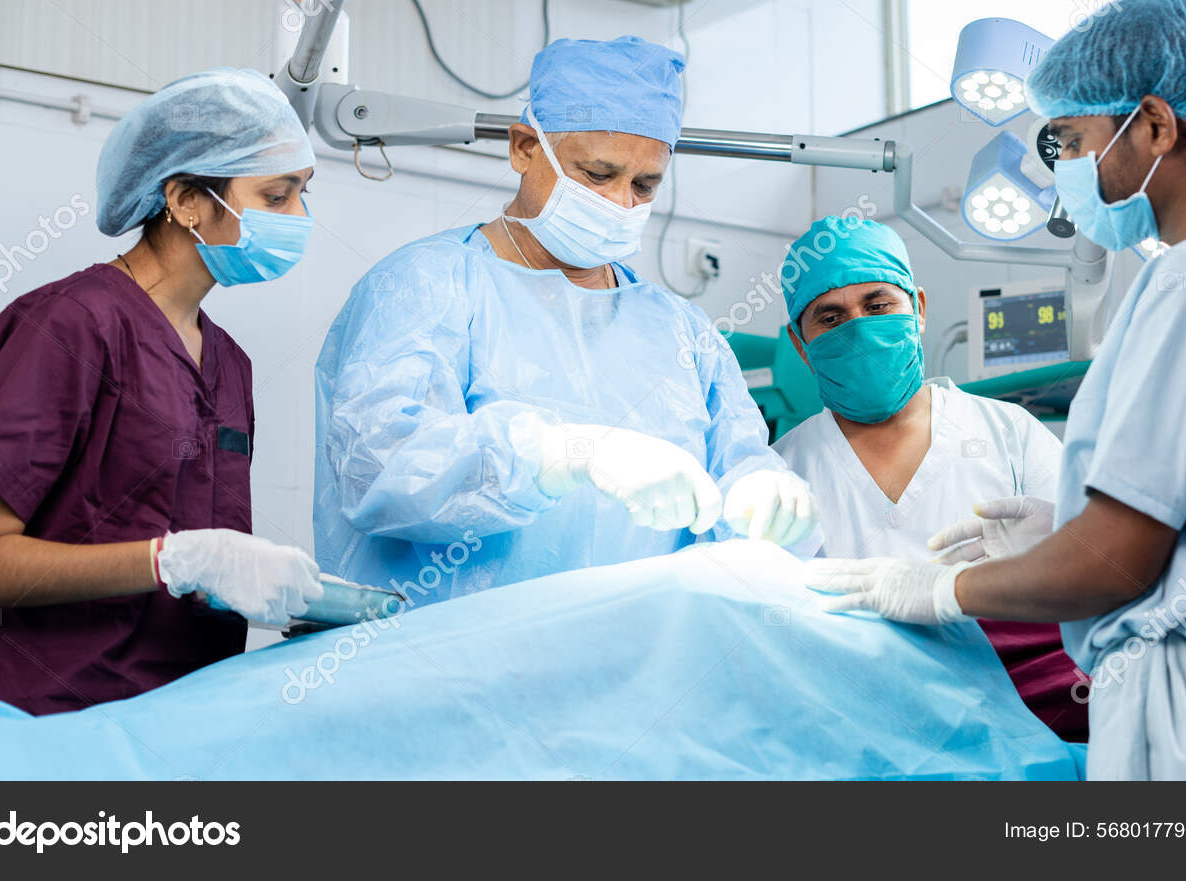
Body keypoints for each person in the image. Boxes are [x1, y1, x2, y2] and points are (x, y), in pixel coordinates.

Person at [804, 0, 1186, 779]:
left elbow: (1115, 567)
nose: (1063, 170)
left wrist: (938, 587)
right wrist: (1068, 526)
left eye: (1070, 140)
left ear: (1156, 124)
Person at [316, 36, 818, 604]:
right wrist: (559, 456)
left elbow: (738, 465)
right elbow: (379, 468)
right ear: (525, 148)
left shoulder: (685, 332)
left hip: (638, 667)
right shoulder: (425, 285)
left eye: (645, 184)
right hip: (459, 666)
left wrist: (763, 496)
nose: (622, 203)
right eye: (598, 175)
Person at [0, 68, 325, 715]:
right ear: (187, 199)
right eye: (277, 196)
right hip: (32, 723)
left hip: (164, 724)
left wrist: (274, 590)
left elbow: (201, 565)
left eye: (304, 194)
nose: (300, 218)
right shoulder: (72, 326)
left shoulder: (231, 365)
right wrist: (174, 560)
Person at [772, 216, 1087, 741]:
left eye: (878, 306)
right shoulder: (782, 469)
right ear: (800, 344)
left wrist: (1047, 555)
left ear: (917, 308)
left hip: (1016, 721)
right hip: (855, 730)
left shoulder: (1008, 433)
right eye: (830, 317)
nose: (859, 328)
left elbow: (1095, 571)